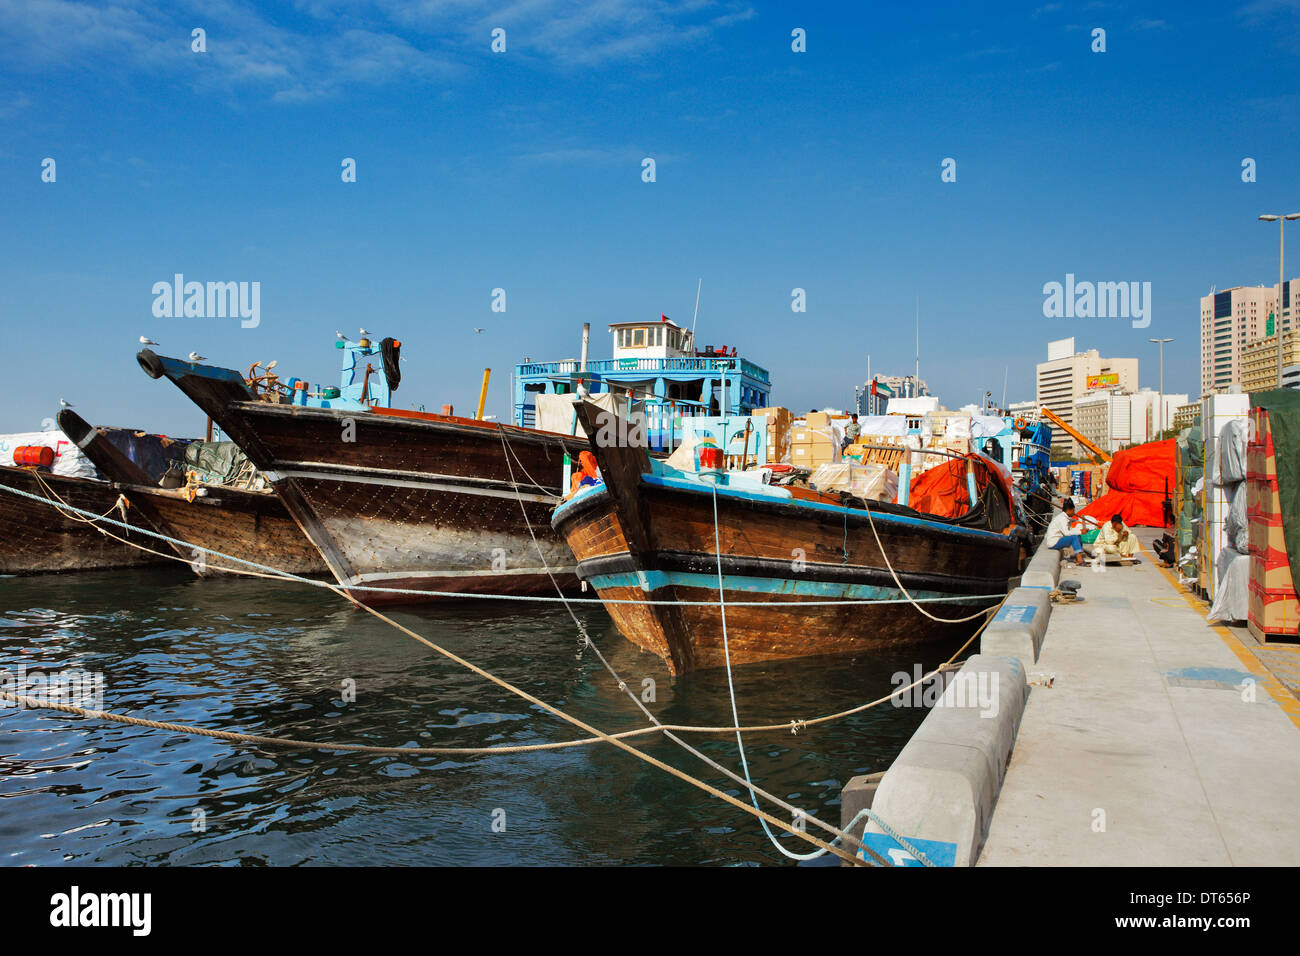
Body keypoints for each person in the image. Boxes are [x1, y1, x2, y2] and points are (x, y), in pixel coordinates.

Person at [1043, 498, 1088, 565]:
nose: (1074, 512)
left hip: (1059, 540)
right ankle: (1080, 559)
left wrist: (1080, 531)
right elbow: (1067, 533)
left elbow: (1071, 530)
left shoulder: (1065, 518)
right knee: (1074, 537)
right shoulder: (1062, 519)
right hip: (1054, 542)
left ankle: (1077, 556)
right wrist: (1081, 532)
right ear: (1069, 510)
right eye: (1073, 510)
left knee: (1078, 536)